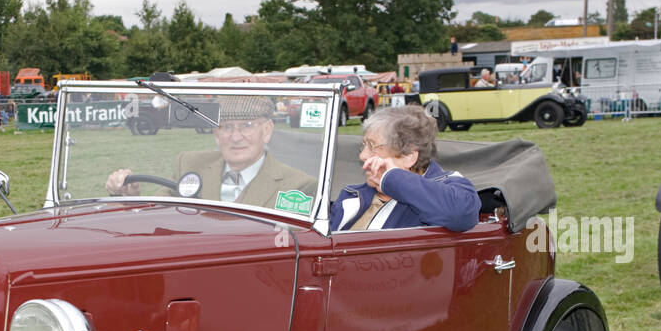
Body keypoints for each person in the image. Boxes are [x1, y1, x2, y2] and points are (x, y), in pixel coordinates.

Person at [106, 95, 317, 209]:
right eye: (227, 127)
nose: (236, 137)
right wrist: (131, 199)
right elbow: (155, 217)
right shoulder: (189, 164)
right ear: (216, 134)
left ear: (267, 130)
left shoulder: (297, 185)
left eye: (247, 125)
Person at [330, 105, 480, 232]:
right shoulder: (353, 194)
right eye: (364, 145)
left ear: (408, 156)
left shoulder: (445, 189)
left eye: (371, 146)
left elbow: (462, 214)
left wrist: (392, 178)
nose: (363, 155)